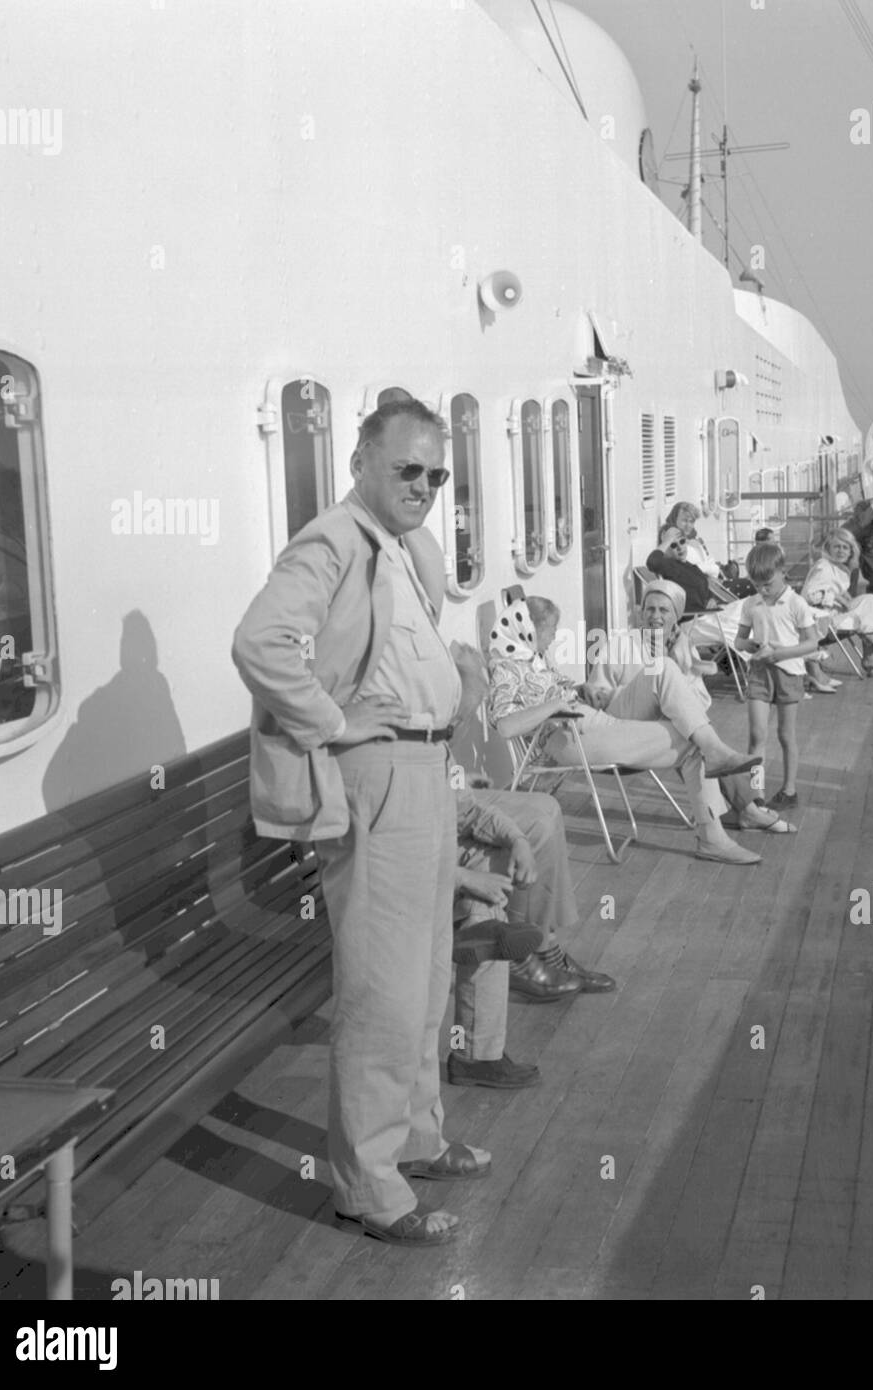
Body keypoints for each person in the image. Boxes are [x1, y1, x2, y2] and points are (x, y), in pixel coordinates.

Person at [232, 396, 490, 1248]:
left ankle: (415, 1135)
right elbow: (262, 642)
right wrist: (334, 724)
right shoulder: (335, 539)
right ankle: (368, 1186)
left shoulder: (395, 547)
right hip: (378, 779)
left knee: (426, 972)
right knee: (383, 987)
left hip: (424, 769)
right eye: (406, 468)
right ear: (362, 464)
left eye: (436, 474)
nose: (422, 485)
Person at [486, 596, 763, 864]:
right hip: (573, 737)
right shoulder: (507, 669)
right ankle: (712, 837)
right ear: (528, 630)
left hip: (595, 717)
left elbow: (560, 686)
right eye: (550, 631)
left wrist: (582, 688)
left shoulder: (534, 656)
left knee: (662, 668)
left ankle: (714, 752)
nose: (554, 637)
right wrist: (556, 704)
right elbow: (506, 725)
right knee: (691, 740)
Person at [600, 577, 797, 834]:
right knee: (694, 734)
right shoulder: (621, 644)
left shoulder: (683, 647)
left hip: (661, 734)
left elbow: (701, 702)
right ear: (641, 612)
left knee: (692, 735)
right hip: (622, 728)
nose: (655, 616)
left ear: (677, 615)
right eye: (650, 609)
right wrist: (644, 690)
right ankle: (749, 811)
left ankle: (741, 812)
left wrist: (678, 675)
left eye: (664, 610)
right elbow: (599, 694)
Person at [449, 784, 615, 1088]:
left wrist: (517, 840)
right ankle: (473, 1052)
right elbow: (397, 855)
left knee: (529, 826)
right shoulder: (392, 755)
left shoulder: (425, 744)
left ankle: (473, 1053)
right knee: (492, 866)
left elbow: (464, 806)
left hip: (436, 839)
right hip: (389, 884)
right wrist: (468, 879)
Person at [735, 543, 820, 811]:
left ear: (783, 572)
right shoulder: (752, 603)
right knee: (756, 734)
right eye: (757, 584)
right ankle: (756, 793)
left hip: (788, 672)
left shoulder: (796, 603)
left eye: (768, 583)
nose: (762, 589)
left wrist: (781, 654)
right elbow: (738, 640)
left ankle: (789, 790)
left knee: (785, 735)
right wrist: (746, 645)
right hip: (760, 671)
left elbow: (812, 643)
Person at [800, 529, 873, 685]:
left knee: (872, 601)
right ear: (828, 549)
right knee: (868, 609)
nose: (841, 551)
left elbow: (835, 589)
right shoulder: (823, 566)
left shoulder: (839, 568)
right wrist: (838, 598)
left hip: (832, 614)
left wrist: (844, 597)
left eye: (845, 547)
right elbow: (810, 595)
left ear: (851, 552)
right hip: (820, 621)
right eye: (837, 547)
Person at [646, 526, 719, 613]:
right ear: (665, 548)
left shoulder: (688, 565)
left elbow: (705, 589)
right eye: (673, 545)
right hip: (694, 618)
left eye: (682, 541)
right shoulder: (669, 566)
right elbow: (653, 562)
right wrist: (666, 541)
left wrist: (712, 599)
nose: (680, 547)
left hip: (708, 614)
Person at [663, 501, 722, 577]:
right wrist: (711, 568)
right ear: (675, 519)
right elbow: (686, 569)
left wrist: (711, 568)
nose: (688, 525)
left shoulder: (694, 539)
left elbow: (709, 560)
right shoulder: (671, 540)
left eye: (691, 521)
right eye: (684, 520)